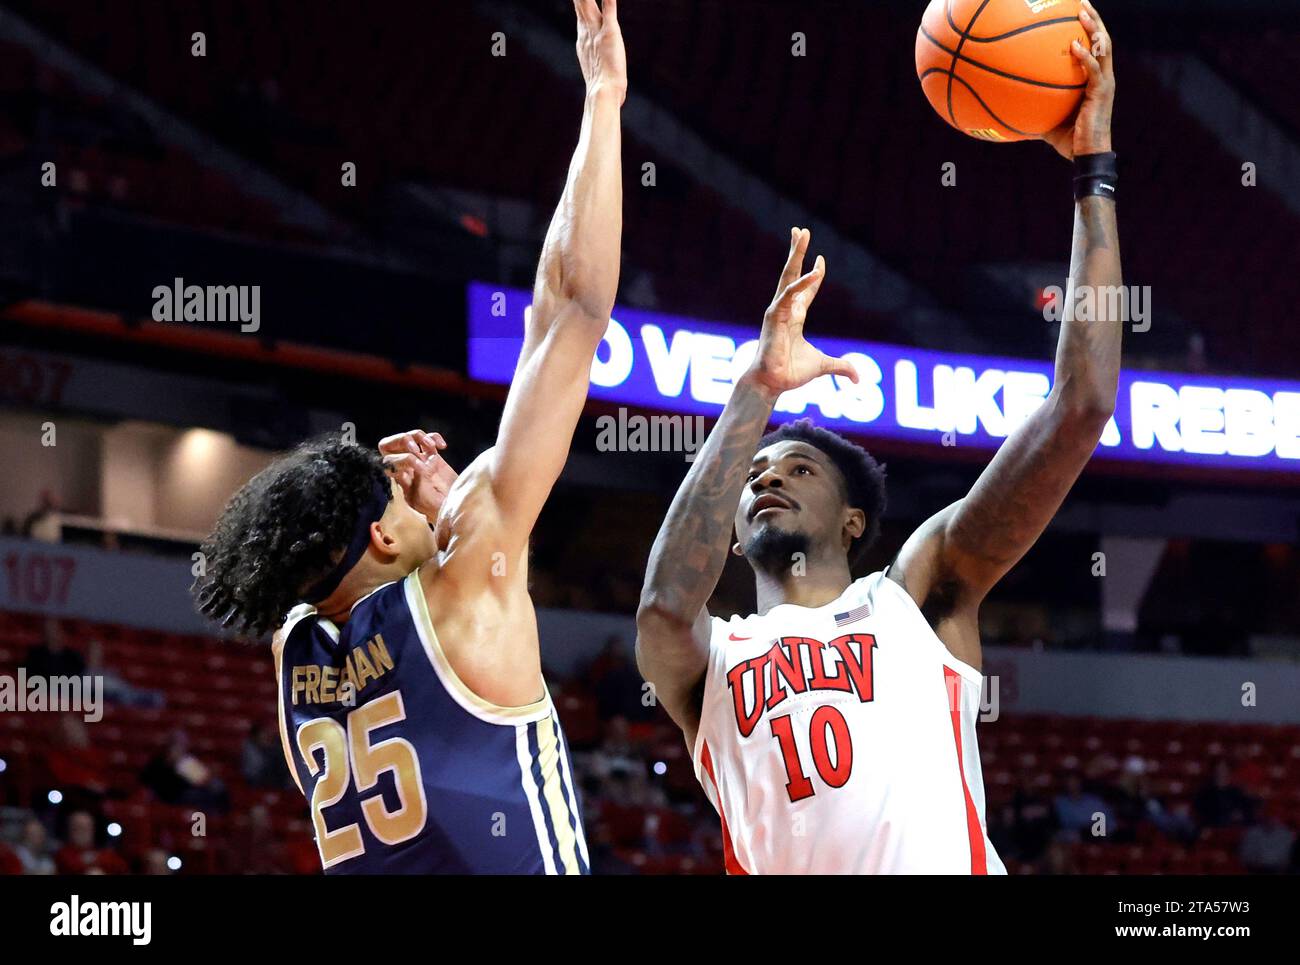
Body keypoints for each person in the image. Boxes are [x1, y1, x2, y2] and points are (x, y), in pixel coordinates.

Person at [635, 2, 1120, 874]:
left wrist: (1094, 172)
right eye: (757, 470)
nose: (766, 476)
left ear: (855, 522)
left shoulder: (918, 596)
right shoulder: (714, 657)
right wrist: (755, 390)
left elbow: (1079, 406)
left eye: (799, 464)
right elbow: (667, 605)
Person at [190, 0, 626, 874]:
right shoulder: (464, 585)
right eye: (393, 491)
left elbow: (323, 571)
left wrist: (406, 504)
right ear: (384, 535)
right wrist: (603, 99)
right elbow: (569, 315)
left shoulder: (295, 656)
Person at [54, 810, 128, 875]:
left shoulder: (106, 853)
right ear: (69, 830)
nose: (83, 832)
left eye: (87, 827)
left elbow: (122, 868)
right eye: (79, 827)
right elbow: (70, 866)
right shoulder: (61, 854)